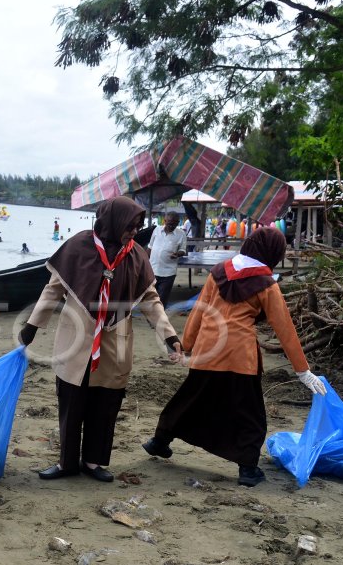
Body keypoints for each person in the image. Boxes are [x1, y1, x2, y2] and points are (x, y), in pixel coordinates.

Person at [143, 227, 327, 487]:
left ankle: (159, 441)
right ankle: (248, 470)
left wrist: (185, 345)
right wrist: (302, 370)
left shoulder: (217, 272)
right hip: (240, 356)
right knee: (248, 414)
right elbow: (284, 328)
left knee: (189, 400)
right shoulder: (266, 284)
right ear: (272, 252)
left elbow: (199, 312)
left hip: (208, 350)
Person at [18, 197, 182, 483]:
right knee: (71, 402)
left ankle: (93, 462)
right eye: (129, 226)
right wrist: (33, 325)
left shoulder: (136, 256)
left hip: (114, 342)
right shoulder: (77, 246)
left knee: (105, 405)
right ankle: (67, 462)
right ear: (112, 222)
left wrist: (169, 335)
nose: (133, 231)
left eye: (137, 226)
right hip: (76, 341)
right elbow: (53, 290)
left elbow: (151, 300)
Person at [148, 211, 188, 304]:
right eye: (169, 224)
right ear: (165, 221)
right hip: (152, 270)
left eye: (174, 224)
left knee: (162, 299)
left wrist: (177, 254)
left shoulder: (181, 234)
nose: (171, 226)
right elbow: (150, 247)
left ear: (178, 223)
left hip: (168, 273)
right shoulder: (156, 230)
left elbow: (183, 250)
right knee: (150, 297)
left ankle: (158, 317)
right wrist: (146, 263)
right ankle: (151, 317)